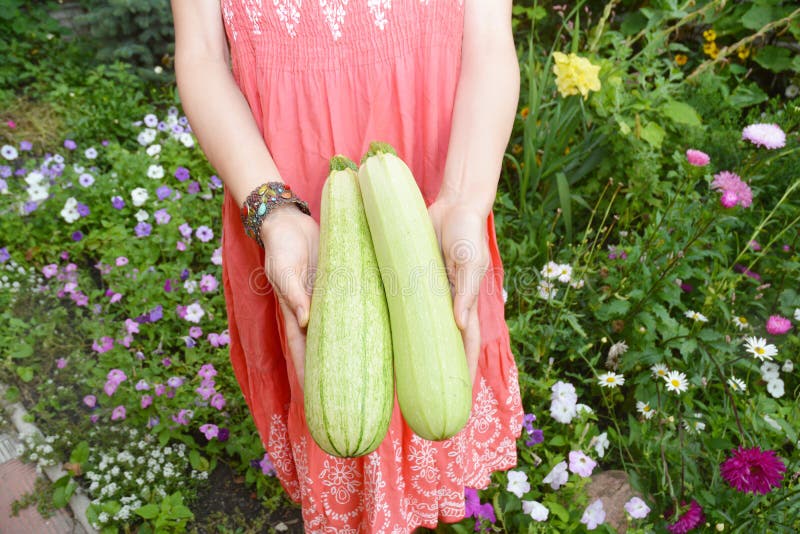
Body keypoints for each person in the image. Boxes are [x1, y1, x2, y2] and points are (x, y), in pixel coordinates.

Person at [171, 0, 522, 531]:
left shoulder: (445, 203)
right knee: (340, 398)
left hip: (429, 191)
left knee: (429, 365)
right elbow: (201, 55)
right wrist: (274, 213)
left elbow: (490, 39)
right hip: (286, 196)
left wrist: (462, 202)